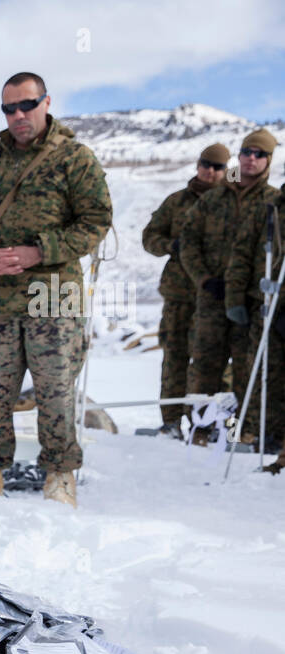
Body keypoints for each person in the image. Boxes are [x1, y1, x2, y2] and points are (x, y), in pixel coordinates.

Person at [0, 71, 112, 508]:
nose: (18, 115)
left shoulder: (75, 158)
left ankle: (60, 473)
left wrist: (42, 251)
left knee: (55, 387)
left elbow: (96, 221)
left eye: (27, 105)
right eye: (9, 108)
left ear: (47, 102)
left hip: (55, 291)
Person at [180, 129, 279, 445]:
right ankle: (201, 428)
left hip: (254, 300)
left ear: (269, 160)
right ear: (239, 155)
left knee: (250, 367)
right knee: (206, 363)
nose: (252, 158)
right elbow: (188, 242)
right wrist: (204, 279)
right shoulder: (213, 198)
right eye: (247, 151)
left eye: (259, 154)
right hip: (212, 296)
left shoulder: (273, 202)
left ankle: (248, 430)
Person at [141, 144, 228, 439]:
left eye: (217, 167)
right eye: (206, 164)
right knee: (174, 357)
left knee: (209, 361)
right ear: (198, 164)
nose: (210, 171)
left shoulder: (230, 202)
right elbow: (150, 237)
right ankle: (171, 422)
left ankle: (206, 424)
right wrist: (170, 245)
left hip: (214, 296)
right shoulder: (176, 202)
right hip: (179, 294)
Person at [225, 155, 285, 455]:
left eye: (260, 154)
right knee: (266, 373)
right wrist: (235, 298)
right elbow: (241, 255)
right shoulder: (272, 207)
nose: (252, 159)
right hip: (269, 303)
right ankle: (269, 435)